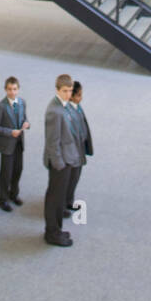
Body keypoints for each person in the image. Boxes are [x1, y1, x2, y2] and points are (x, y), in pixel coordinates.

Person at [43, 74, 83, 247]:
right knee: (55, 198)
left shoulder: (65, 106)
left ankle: (57, 229)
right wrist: (59, 164)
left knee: (60, 198)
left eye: (69, 91)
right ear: (57, 90)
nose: (68, 94)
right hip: (60, 162)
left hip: (68, 158)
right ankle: (52, 232)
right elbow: (52, 142)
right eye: (64, 91)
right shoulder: (55, 111)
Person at [0, 76, 29, 212]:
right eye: (9, 89)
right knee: (6, 173)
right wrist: (10, 132)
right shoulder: (1, 106)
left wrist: (26, 124)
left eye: (15, 89)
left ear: (18, 89)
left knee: (18, 170)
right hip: (6, 144)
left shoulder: (22, 103)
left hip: (19, 144)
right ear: (5, 90)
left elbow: (24, 118)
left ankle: (14, 194)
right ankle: (2, 198)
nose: (12, 92)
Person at [66, 80, 92, 213]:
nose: (81, 98)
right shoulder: (65, 112)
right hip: (71, 153)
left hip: (79, 150)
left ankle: (69, 201)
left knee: (75, 178)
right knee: (66, 180)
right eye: (78, 95)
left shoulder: (78, 107)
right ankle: (61, 206)